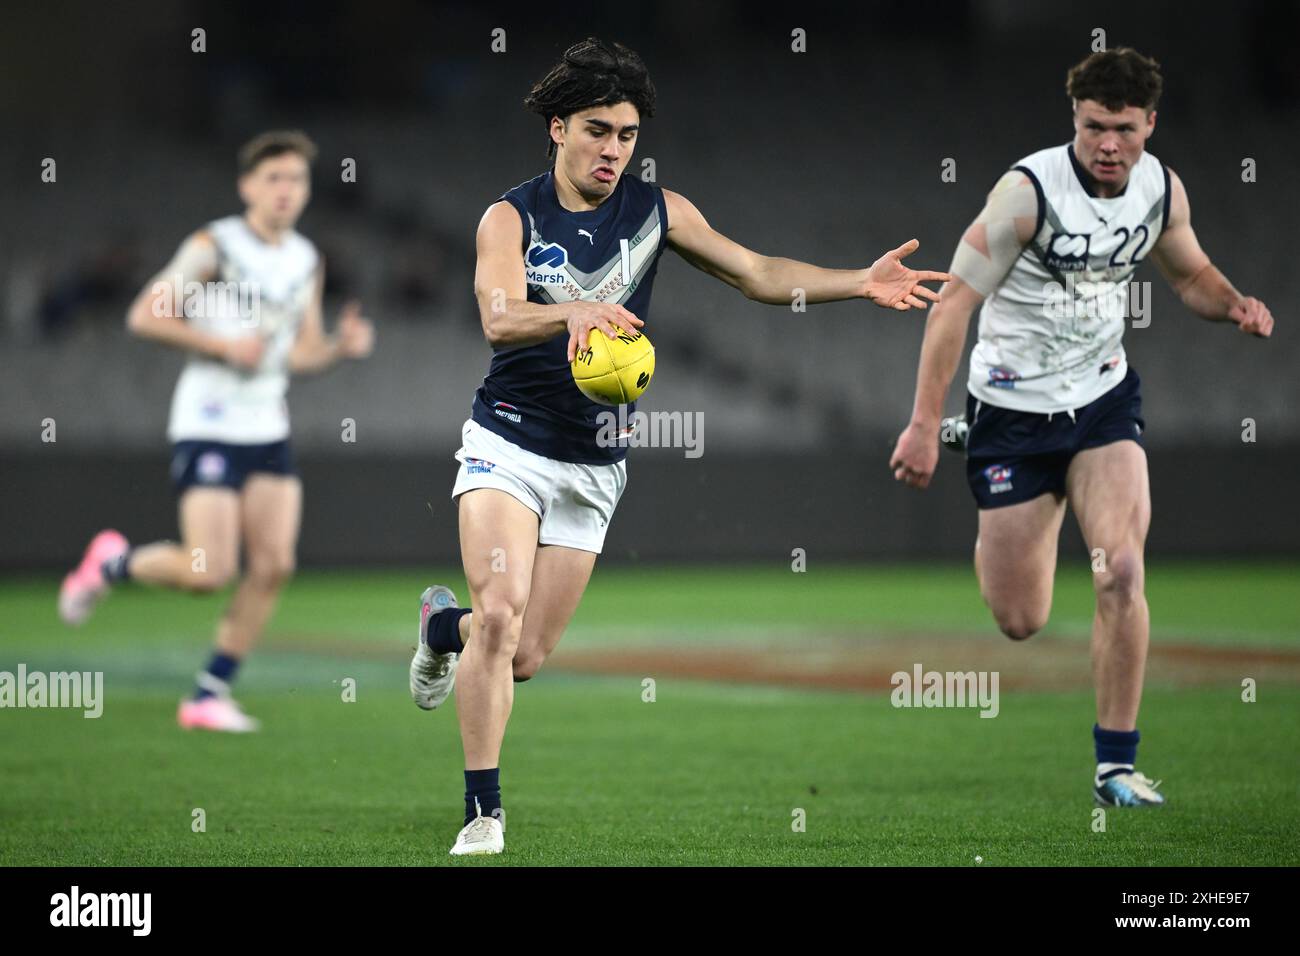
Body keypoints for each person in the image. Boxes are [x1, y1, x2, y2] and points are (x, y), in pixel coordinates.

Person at [410, 37, 949, 855]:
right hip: (507, 442)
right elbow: (497, 315)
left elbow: (758, 273)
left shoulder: (659, 209)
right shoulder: (510, 216)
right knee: (500, 611)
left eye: (627, 135)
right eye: (597, 130)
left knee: (521, 655)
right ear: (557, 128)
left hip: (593, 463)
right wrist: (574, 313)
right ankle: (483, 812)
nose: (614, 150)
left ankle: (435, 628)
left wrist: (857, 282)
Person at [888, 48, 1274, 807]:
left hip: (1103, 404)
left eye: (1124, 129)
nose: (1108, 144)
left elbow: (1188, 272)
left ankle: (1115, 766)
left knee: (1121, 570)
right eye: (1094, 126)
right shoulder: (1026, 194)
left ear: (1149, 125)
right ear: (1075, 120)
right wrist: (925, 424)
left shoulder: (1161, 190)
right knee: (1021, 619)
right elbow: (954, 303)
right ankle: (984, 454)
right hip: (1011, 414)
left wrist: (1231, 302)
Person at [59, 130, 375, 732]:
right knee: (208, 573)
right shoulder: (215, 245)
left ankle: (208, 693)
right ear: (247, 186)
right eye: (274, 178)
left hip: (267, 426)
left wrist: (338, 347)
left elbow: (297, 354)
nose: (286, 190)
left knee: (275, 565)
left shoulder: (306, 259)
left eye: (296, 180)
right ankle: (111, 565)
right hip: (208, 423)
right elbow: (143, 314)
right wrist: (221, 345)